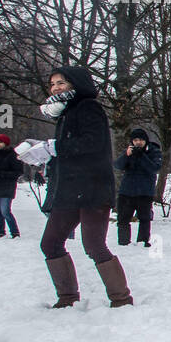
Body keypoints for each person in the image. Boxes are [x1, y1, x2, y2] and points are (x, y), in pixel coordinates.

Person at [29, 67, 133, 306]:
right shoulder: (65, 112)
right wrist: (44, 154)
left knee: (94, 245)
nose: (55, 87)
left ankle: (121, 298)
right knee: (50, 243)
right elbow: (67, 150)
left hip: (93, 189)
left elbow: (93, 143)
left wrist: (54, 147)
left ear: (76, 84)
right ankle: (67, 297)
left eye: (61, 82)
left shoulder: (88, 107)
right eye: (52, 83)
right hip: (68, 191)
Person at [113, 128, 162, 248]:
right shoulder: (130, 151)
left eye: (141, 140)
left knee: (144, 219)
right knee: (123, 219)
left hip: (144, 192)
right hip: (127, 191)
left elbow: (154, 168)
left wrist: (142, 156)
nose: (138, 142)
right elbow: (117, 165)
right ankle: (123, 243)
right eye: (135, 140)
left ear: (145, 141)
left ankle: (142, 242)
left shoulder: (154, 151)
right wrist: (126, 155)